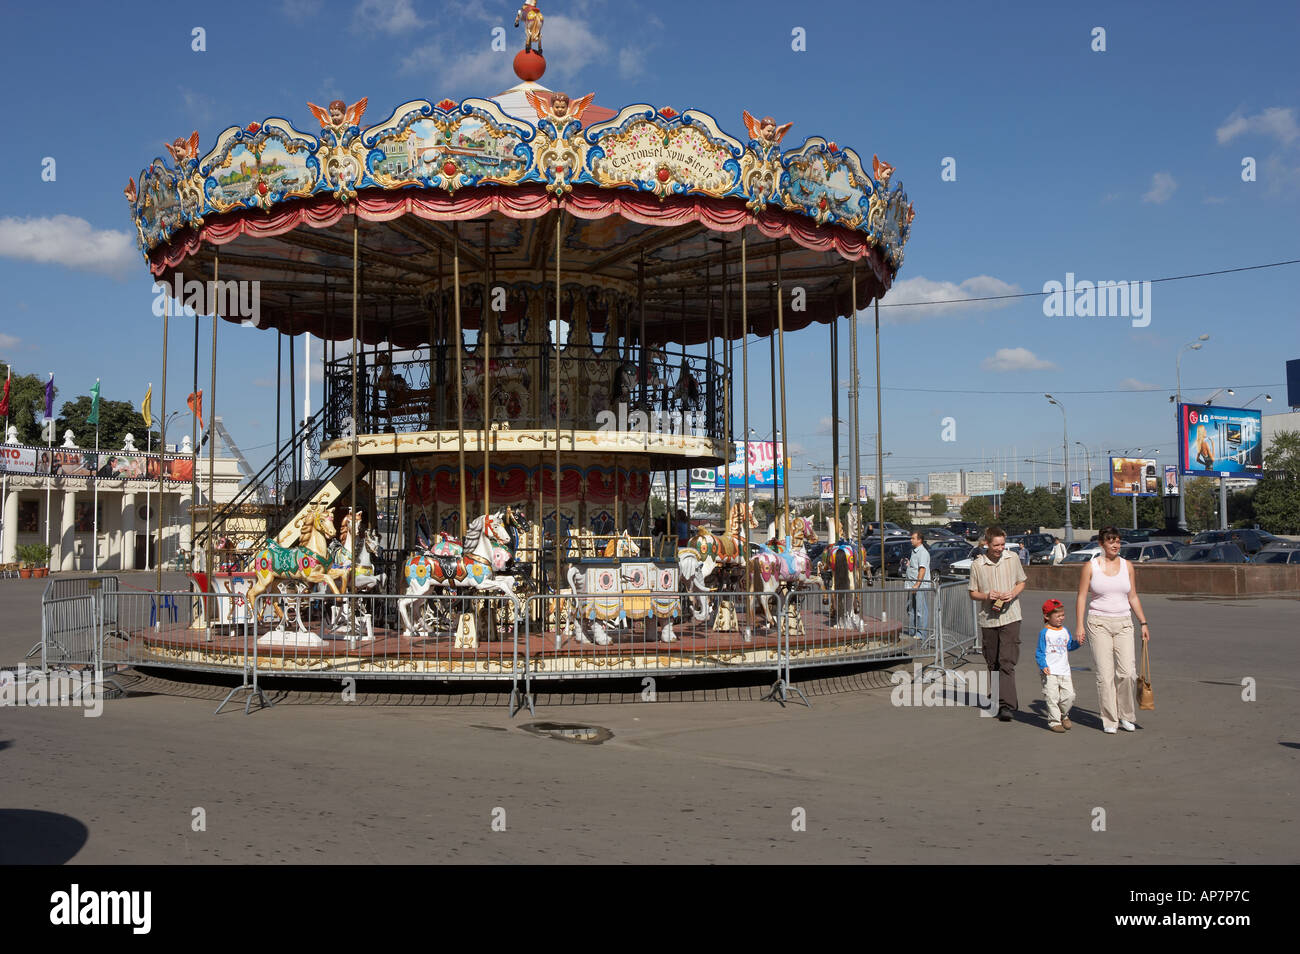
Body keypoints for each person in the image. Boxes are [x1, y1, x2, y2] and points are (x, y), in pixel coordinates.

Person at [1075, 525, 1150, 734]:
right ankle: (1110, 719)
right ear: (1101, 543)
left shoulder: (1128, 566)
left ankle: (1127, 715)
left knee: (1127, 673)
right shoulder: (1091, 567)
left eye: (1117, 541)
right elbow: (1081, 596)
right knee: (1105, 674)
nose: (1115, 544)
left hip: (1124, 622)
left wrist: (1143, 622)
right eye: (1110, 540)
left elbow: (1132, 596)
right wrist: (1079, 625)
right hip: (1098, 623)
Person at [968, 526, 1028, 722]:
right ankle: (997, 696)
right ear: (986, 543)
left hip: (1011, 616)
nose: (1000, 548)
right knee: (992, 660)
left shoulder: (1013, 558)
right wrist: (987, 595)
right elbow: (972, 592)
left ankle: (1007, 705)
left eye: (1002, 544)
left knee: (1006, 661)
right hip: (988, 618)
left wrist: (1013, 593)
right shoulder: (977, 564)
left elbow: (1021, 582)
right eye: (996, 545)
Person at [1035, 598, 1081, 733]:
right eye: (1058, 616)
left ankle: (1063, 714)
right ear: (1047, 617)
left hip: (1064, 670)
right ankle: (1054, 722)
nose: (1061, 618)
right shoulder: (1045, 633)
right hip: (1049, 671)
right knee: (1052, 697)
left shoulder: (1064, 631)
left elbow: (1069, 646)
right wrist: (1042, 665)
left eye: (1062, 615)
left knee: (1070, 695)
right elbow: (1040, 652)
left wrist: (1078, 642)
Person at [905, 530, 931, 641]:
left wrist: (917, 584)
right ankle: (912, 631)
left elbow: (922, 569)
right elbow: (916, 567)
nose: (911, 540)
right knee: (911, 609)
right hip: (911, 585)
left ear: (919, 540)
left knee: (921, 610)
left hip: (919, 586)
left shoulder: (923, 552)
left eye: (913, 538)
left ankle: (921, 633)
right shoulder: (914, 551)